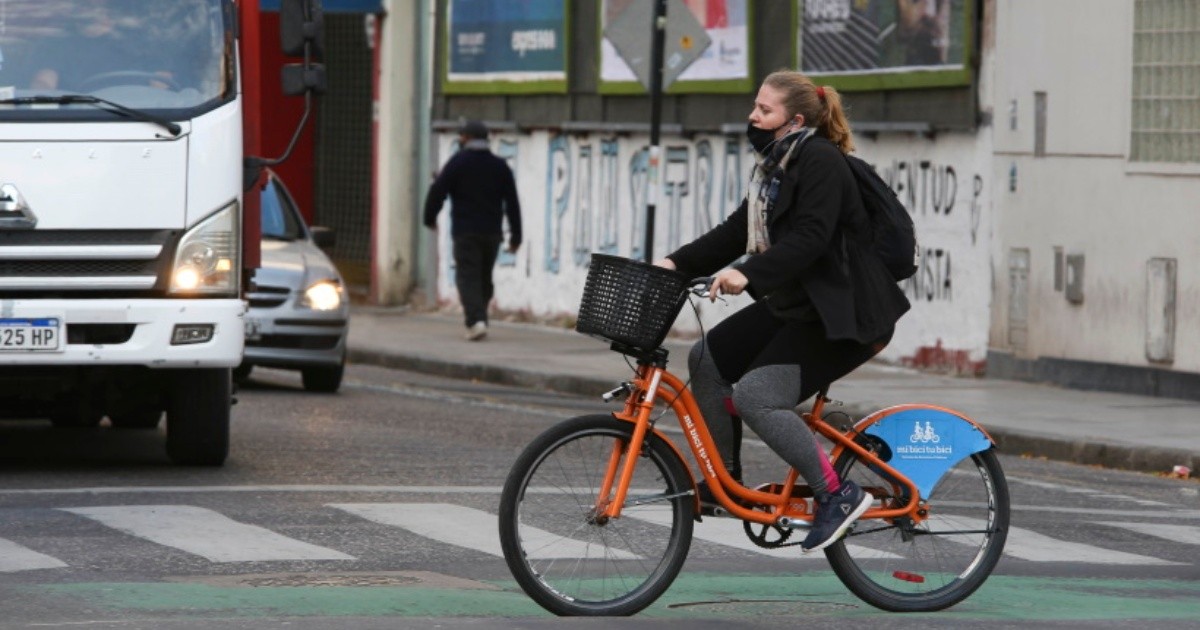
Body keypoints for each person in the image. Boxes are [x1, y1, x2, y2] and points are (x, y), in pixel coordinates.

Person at [654, 70, 910, 553]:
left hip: (847, 315)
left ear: (794, 120)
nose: (753, 116)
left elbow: (811, 237)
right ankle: (721, 481)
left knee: (756, 396)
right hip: (802, 304)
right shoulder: (776, 167)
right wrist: (673, 263)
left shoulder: (820, 162)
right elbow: (735, 231)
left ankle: (837, 493)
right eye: (755, 105)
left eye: (764, 110)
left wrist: (750, 275)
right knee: (706, 359)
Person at [424, 120, 523, 341]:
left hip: (465, 232)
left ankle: (475, 320)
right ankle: (480, 317)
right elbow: (512, 202)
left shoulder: (458, 163)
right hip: (492, 234)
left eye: (461, 137)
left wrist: (430, 217)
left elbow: (437, 191)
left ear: (466, 138)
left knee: (467, 277)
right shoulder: (500, 166)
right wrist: (516, 236)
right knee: (484, 276)